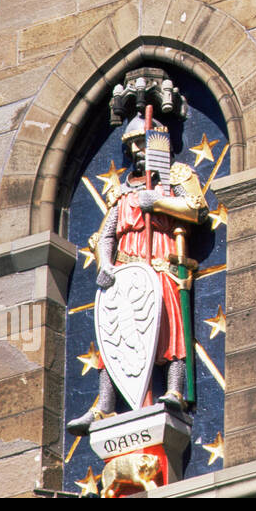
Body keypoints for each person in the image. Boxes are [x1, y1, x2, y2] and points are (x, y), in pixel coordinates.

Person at [68, 117, 206, 435]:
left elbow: (197, 209)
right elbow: (106, 236)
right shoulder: (123, 192)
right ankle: (104, 407)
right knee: (113, 335)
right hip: (126, 272)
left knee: (171, 329)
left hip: (161, 266)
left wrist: (158, 200)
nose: (135, 150)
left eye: (141, 142)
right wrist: (105, 266)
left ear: (157, 143)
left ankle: (174, 390)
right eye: (131, 144)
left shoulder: (177, 176)